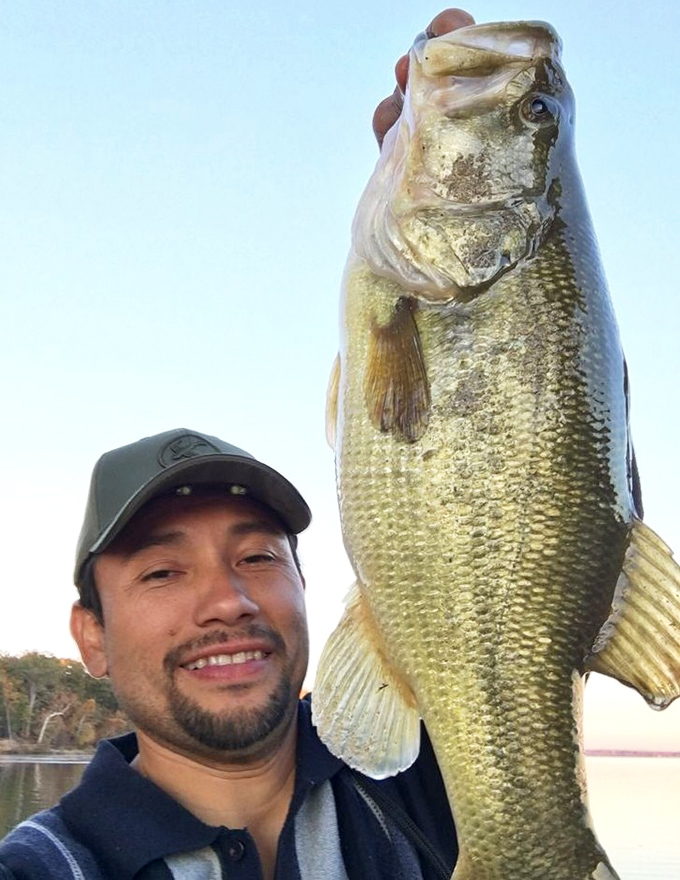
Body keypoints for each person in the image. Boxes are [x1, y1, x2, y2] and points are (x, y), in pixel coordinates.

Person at [0, 10, 473, 878]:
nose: (229, 601)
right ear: (90, 638)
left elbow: (528, 535)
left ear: (303, 586)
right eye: (160, 571)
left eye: (258, 557)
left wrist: (483, 222)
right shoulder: (44, 866)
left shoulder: (425, 787)